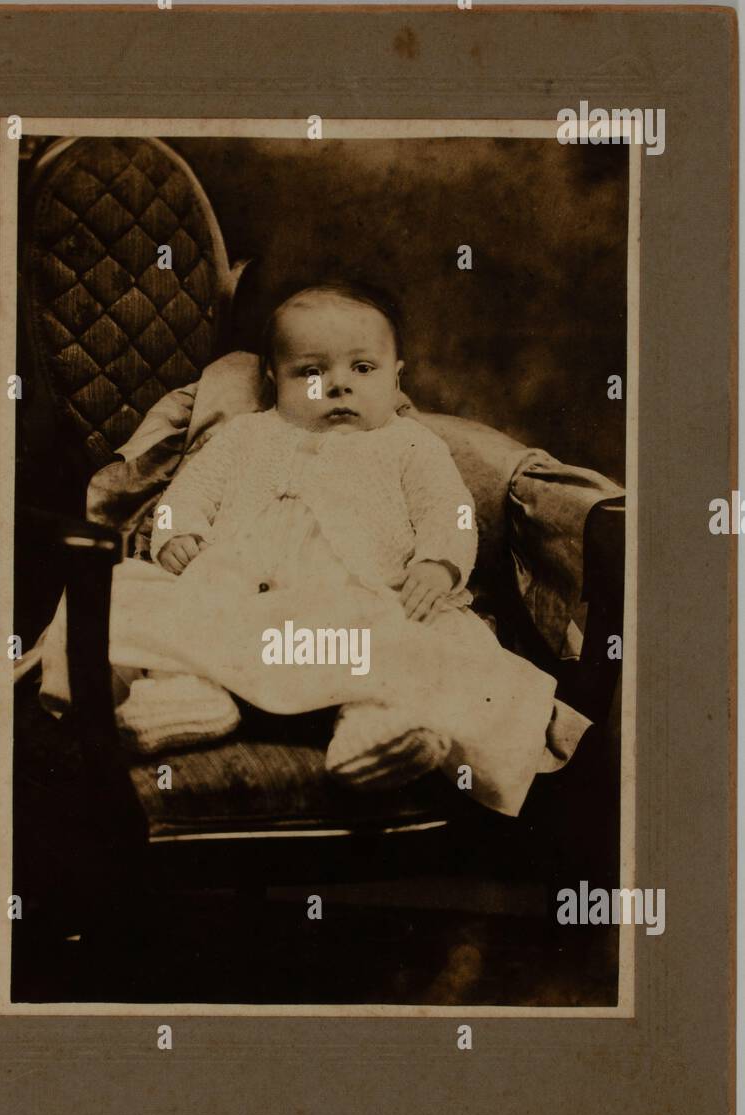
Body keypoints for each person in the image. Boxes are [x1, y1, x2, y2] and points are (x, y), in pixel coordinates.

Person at [42, 280, 591, 815]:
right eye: (310, 372)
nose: (337, 385)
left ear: (396, 379)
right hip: (236, 598)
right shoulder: (243, 437)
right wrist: (178, 533)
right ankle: (187, 694)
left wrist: (438, 565)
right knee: (130, 595)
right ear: (272, 377)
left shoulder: (409, 445)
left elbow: (450, 512)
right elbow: (187, 495)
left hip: (356, 599)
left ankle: (372, 725)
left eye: (362, 368)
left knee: (427, 647)